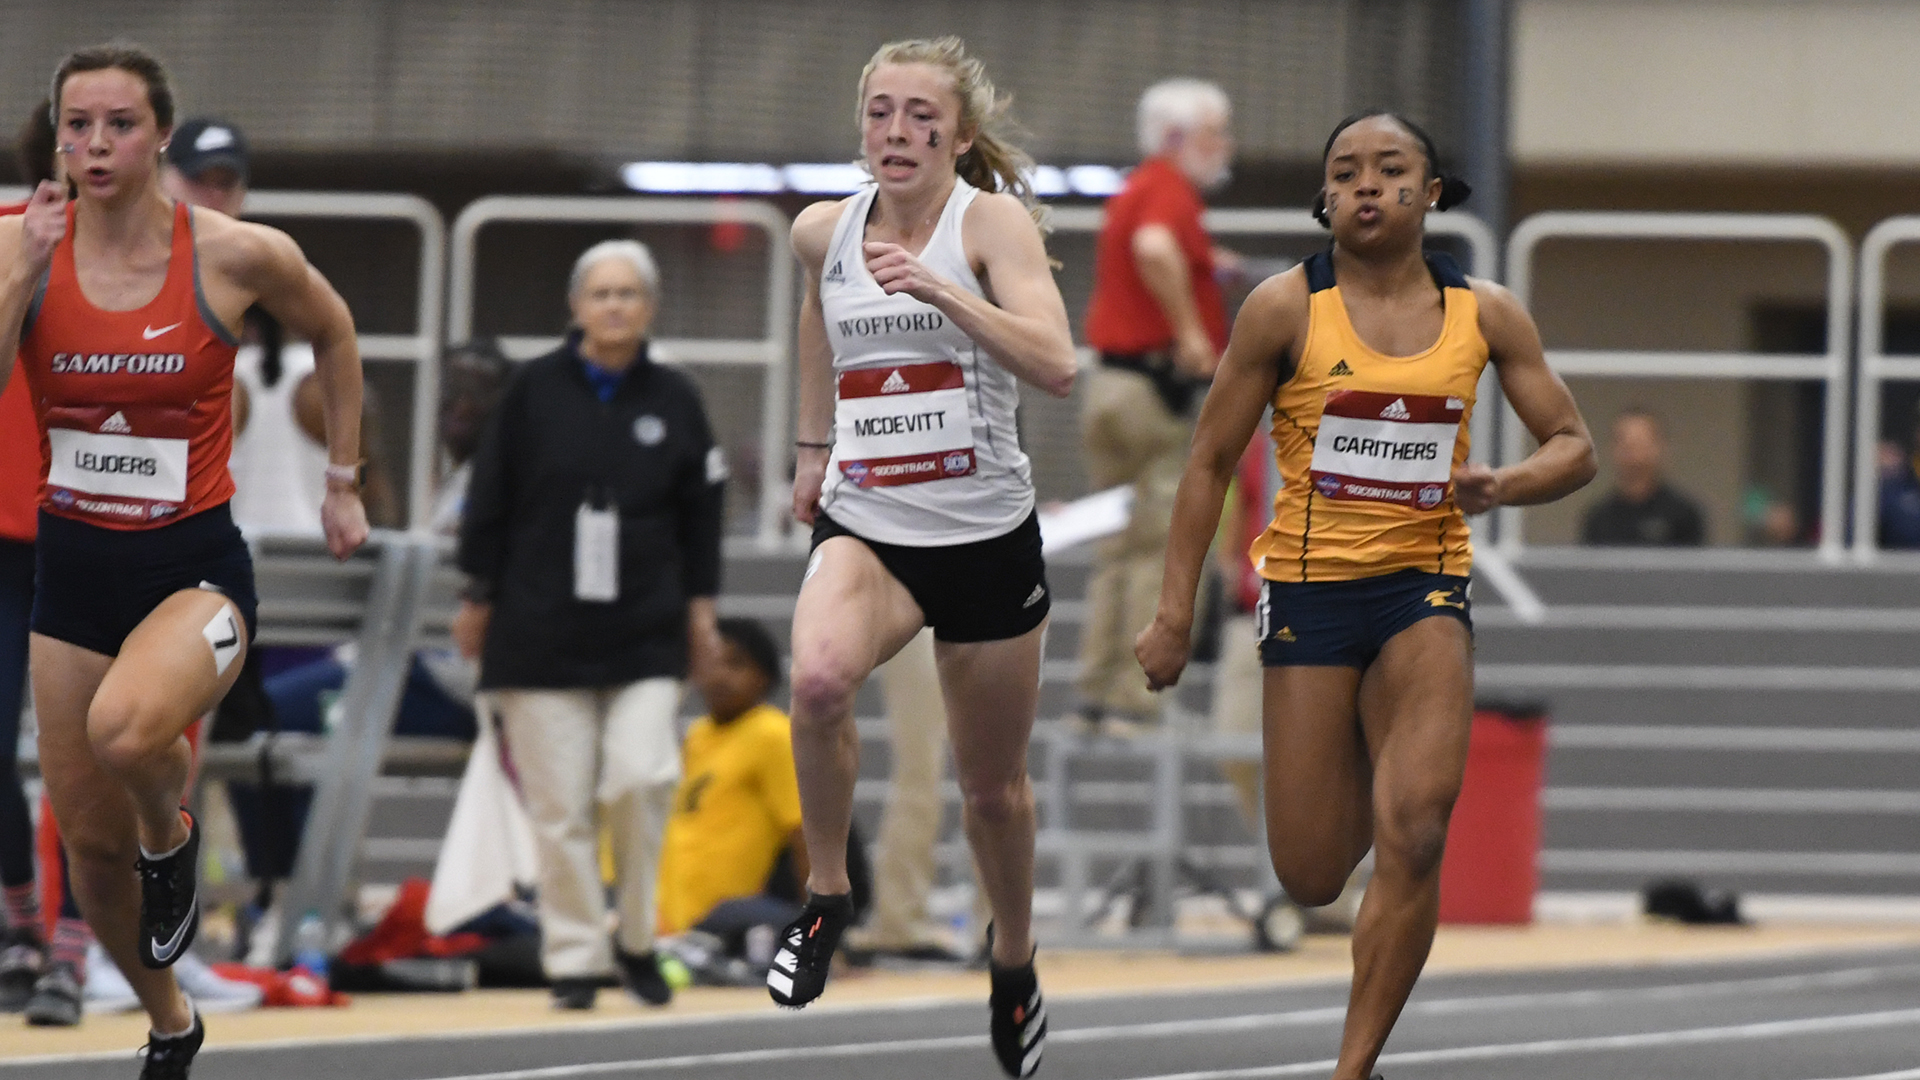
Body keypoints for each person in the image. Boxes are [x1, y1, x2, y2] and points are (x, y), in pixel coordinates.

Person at [1135, 112, 1595, 1080]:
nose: (1367, 186)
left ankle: (1354, 1067)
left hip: (1424, 587)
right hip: (1309, 593)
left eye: (1391, 170)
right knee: (1308, 872)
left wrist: (1500, 486)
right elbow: (1209, 460)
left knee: (1417, 829)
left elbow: (1574, 446)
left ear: (1432, 194)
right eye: (1346, 172)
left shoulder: (1487, 314)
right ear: (1326, 197)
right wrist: (1175, 611)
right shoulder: (1282, 309)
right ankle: (1348, 743)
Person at [1, 42, 371, 1074]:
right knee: (89, 847)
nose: (96, 144)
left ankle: (176, 843)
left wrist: (344, 480)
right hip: (71, 579)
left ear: (160, 135)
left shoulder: (231, 253)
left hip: (194, 575)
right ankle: (172, 1022)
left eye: (119, 124)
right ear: (57, 135)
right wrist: (24, 269)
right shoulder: (20, 245)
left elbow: (336, 332)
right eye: (78, 125)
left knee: (127, 734)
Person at [775, 36, 1075, 1080]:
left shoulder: (987, 225)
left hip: (986, 538)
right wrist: (813, 451)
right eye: (881, 114)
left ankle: (1013, 958)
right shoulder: (827, 228)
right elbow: (820, 321)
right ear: (860, 126)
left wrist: (944, 293)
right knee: (815, 680)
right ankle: (826, 897)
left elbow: (1059, 365)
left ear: (957, 132)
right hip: (871, 524)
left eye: (920, 116)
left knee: (991, 791)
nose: (898, 133)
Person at [452, 238, 725, 1012]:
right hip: (538, 628)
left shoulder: (676, 396)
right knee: (562, 808)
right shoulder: (533, 390)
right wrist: (477, 598)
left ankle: (636, 938)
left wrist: (702, 614)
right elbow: (490, 500)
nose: (614, 307)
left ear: (650, 307)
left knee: (642, 778)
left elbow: (702, 518)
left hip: (646, 627)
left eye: (628, 295)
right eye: (600, 294)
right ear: (575, 307)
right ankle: (575, 958)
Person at [1075, 79, 1236, 733]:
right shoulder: (1169, 191)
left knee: (1117, 545)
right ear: (1176, 138)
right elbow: (1153, 250)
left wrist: (1207, 269)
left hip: (1110, 388)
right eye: (1213, 133)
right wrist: (1192, 333)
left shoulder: (1136, 190)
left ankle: (1095, 692)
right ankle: (1136, 701)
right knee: (1160, 544)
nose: (1224, 147)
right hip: (1150, 389)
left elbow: (1151, 250)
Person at [655, 618, 807, 970]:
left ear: (765, 676)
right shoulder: (697, 736)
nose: (719, 676)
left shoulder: (772, 734)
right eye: (711, 663)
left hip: (730, 926)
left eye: (736, 663)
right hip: (673, 927)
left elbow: (804, 834)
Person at [0, 98, 55, 1016]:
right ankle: (19, 922)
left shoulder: (169, 252)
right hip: (5, 536)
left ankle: (82, 945)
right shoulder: (6, 237)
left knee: (101, 751)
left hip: (105, 528)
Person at [1580, 408, 1704, 546]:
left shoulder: (1684, 515)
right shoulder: (1599, 518)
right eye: (1626, 444)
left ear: (1660, 447)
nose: (1633, 454)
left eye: (1641, 443)